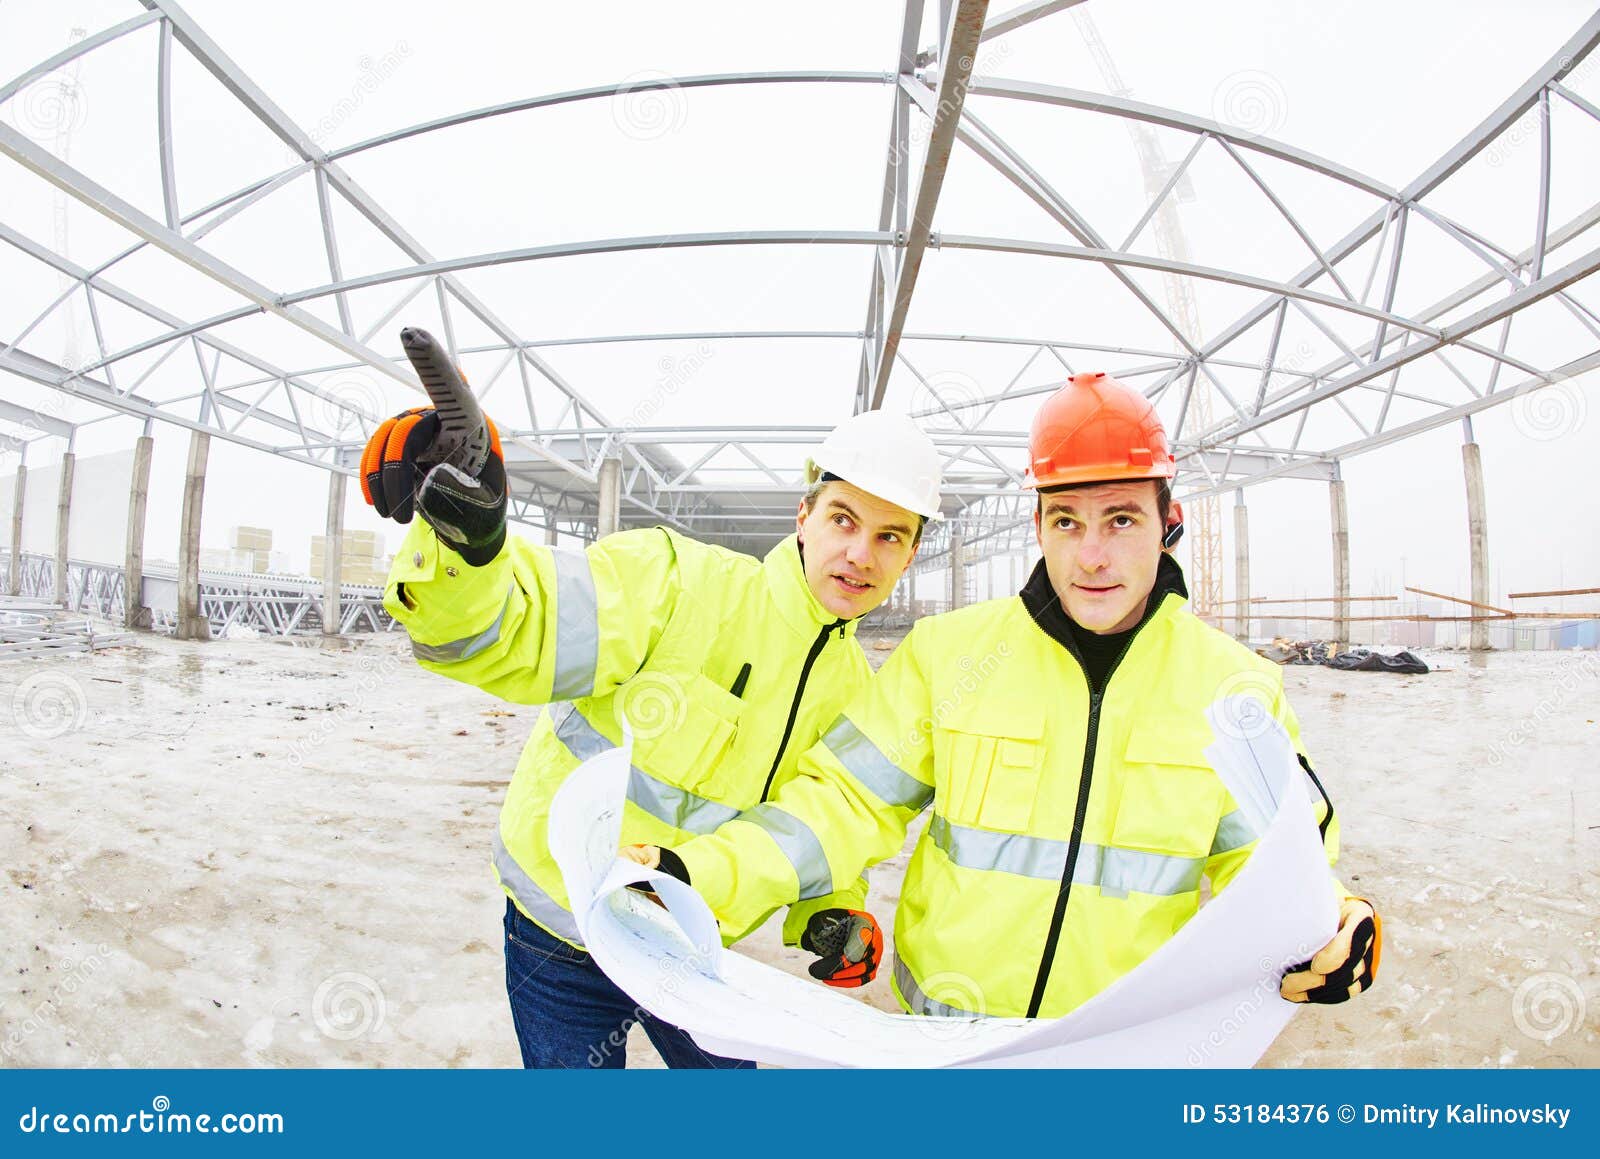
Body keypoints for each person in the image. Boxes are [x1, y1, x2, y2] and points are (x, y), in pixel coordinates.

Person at [641, 372, 1381, 1021]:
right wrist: (698, 873)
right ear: (1039, 527)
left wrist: (1337, 921)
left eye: (1121, 519)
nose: (1091, 554)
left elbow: (1282, 867)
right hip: (945, 1061)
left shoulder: (1237, 690)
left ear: (1168, 524)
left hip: (1116, 1066)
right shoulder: (945, 656)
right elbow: (838, 807)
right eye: (1067, 521)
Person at [359, 398, 943, 1067]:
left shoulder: (855, 693)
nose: (859, 554)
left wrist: (831, 912)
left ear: (912, 553)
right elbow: (520, 627)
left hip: (686, 953)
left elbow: (812, 825)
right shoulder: (678, 585)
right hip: (562, 935)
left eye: (890, 536)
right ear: (804, 516)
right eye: (844, 519)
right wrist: (469, 547)